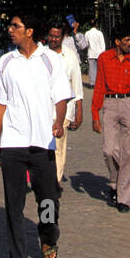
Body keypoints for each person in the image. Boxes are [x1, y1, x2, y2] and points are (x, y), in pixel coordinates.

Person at [0, 10, 71, 258]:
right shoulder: (5, 62)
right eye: (10, 26)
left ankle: (48, 236)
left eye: (16, 26)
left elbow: (61, 97)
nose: (10, 30)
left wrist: (59, 122)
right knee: (13, 205)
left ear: (29, 31)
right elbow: (1, 103)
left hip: (42, 141)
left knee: (47, 199)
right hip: (13, 142)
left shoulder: (50, 60)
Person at [91, 26, 130, 212]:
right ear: (117, 42)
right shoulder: (104, 58)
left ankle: (124, 198)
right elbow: (99, 85)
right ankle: (115, 181)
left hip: (128, 104)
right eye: (126, 40)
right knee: (109, 151)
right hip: (109, 105)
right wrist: (95, 114)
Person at [46, 20, 83, 186]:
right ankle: (44, 178)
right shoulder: (41, 55)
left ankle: (55, 181)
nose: (53, 39)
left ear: (62, 37)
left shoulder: (70, 56)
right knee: (44, 148)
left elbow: (77, 85)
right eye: (51, 36)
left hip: (64, 110)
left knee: (59, 147)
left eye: (57, 36)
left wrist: (79, 112)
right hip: (44, 109)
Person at [85, 21, 106, 87]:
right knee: (99, 69)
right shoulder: (99, 33)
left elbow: (86, 43)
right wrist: (103, 53)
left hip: (91, 53)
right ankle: (99, 83)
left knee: (92, 69)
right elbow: (102, 44)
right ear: (96, 25)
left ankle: (92, 83)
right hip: (99, 53)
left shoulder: (87, 33)